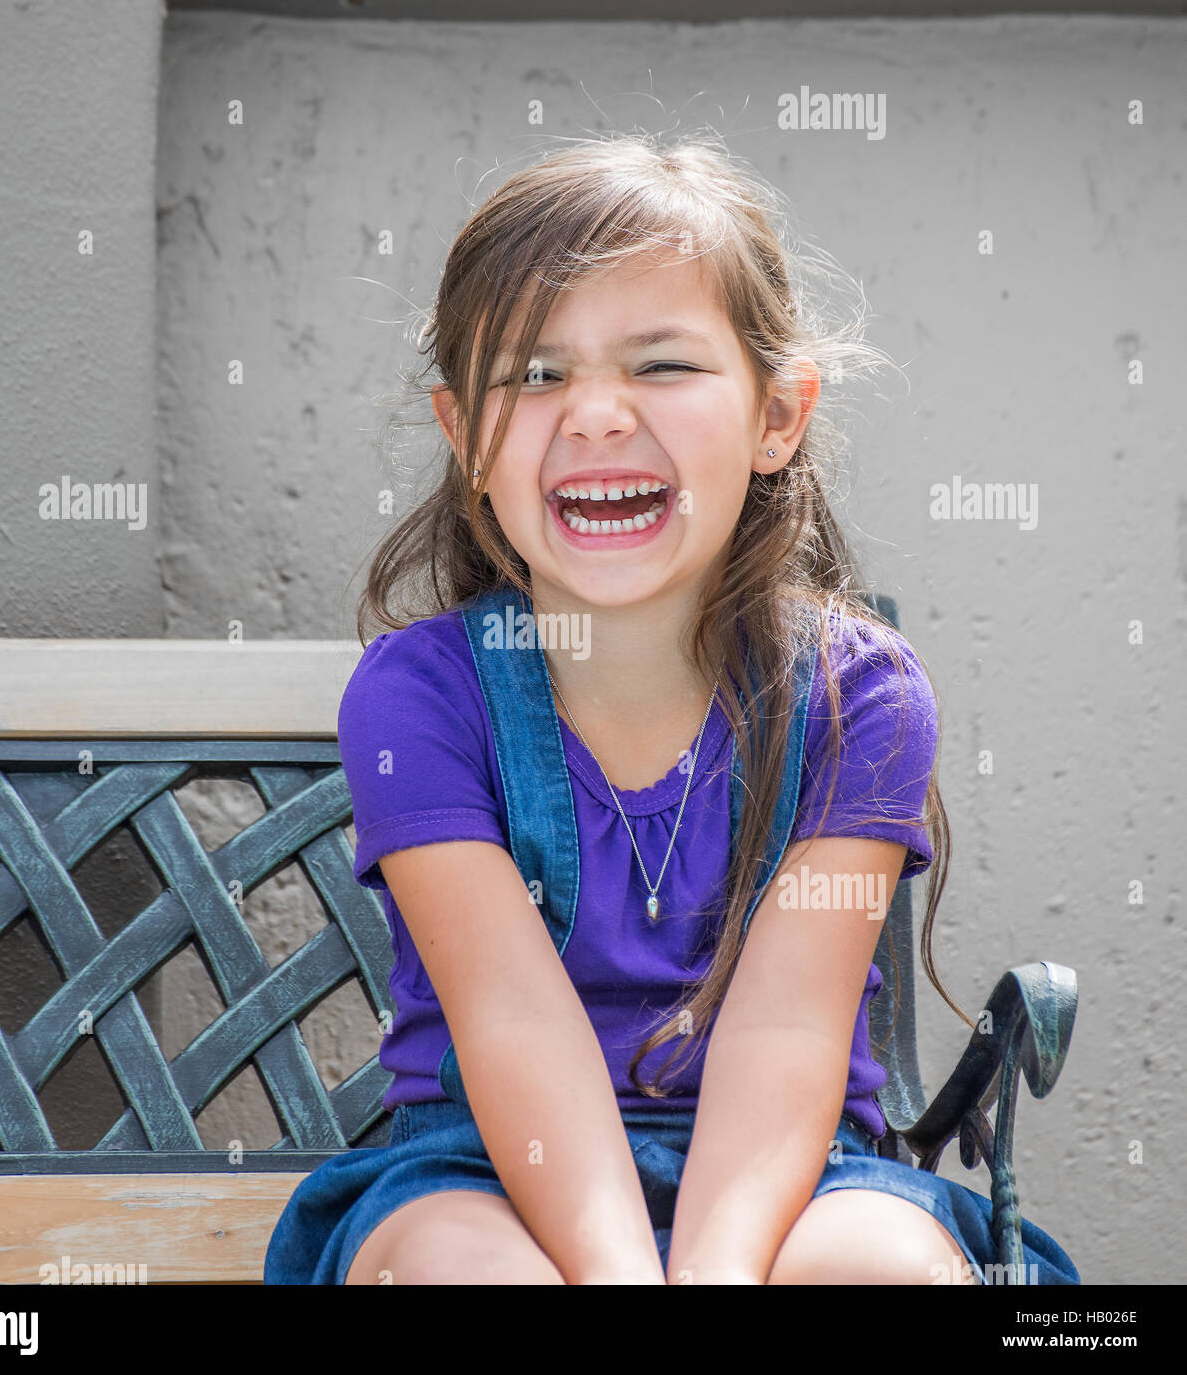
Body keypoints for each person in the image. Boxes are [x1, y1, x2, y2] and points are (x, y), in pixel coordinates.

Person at [264, 133, 1081, 1286]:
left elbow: (788, 1032)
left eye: (660, 365)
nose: (594, 414)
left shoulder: (857, 697)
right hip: (491, 1166)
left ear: (776, 417)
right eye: (534, 375)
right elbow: (511, 1025)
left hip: (794, 1174)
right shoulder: (421, 697)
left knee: (887, 1269)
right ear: (464, 437)